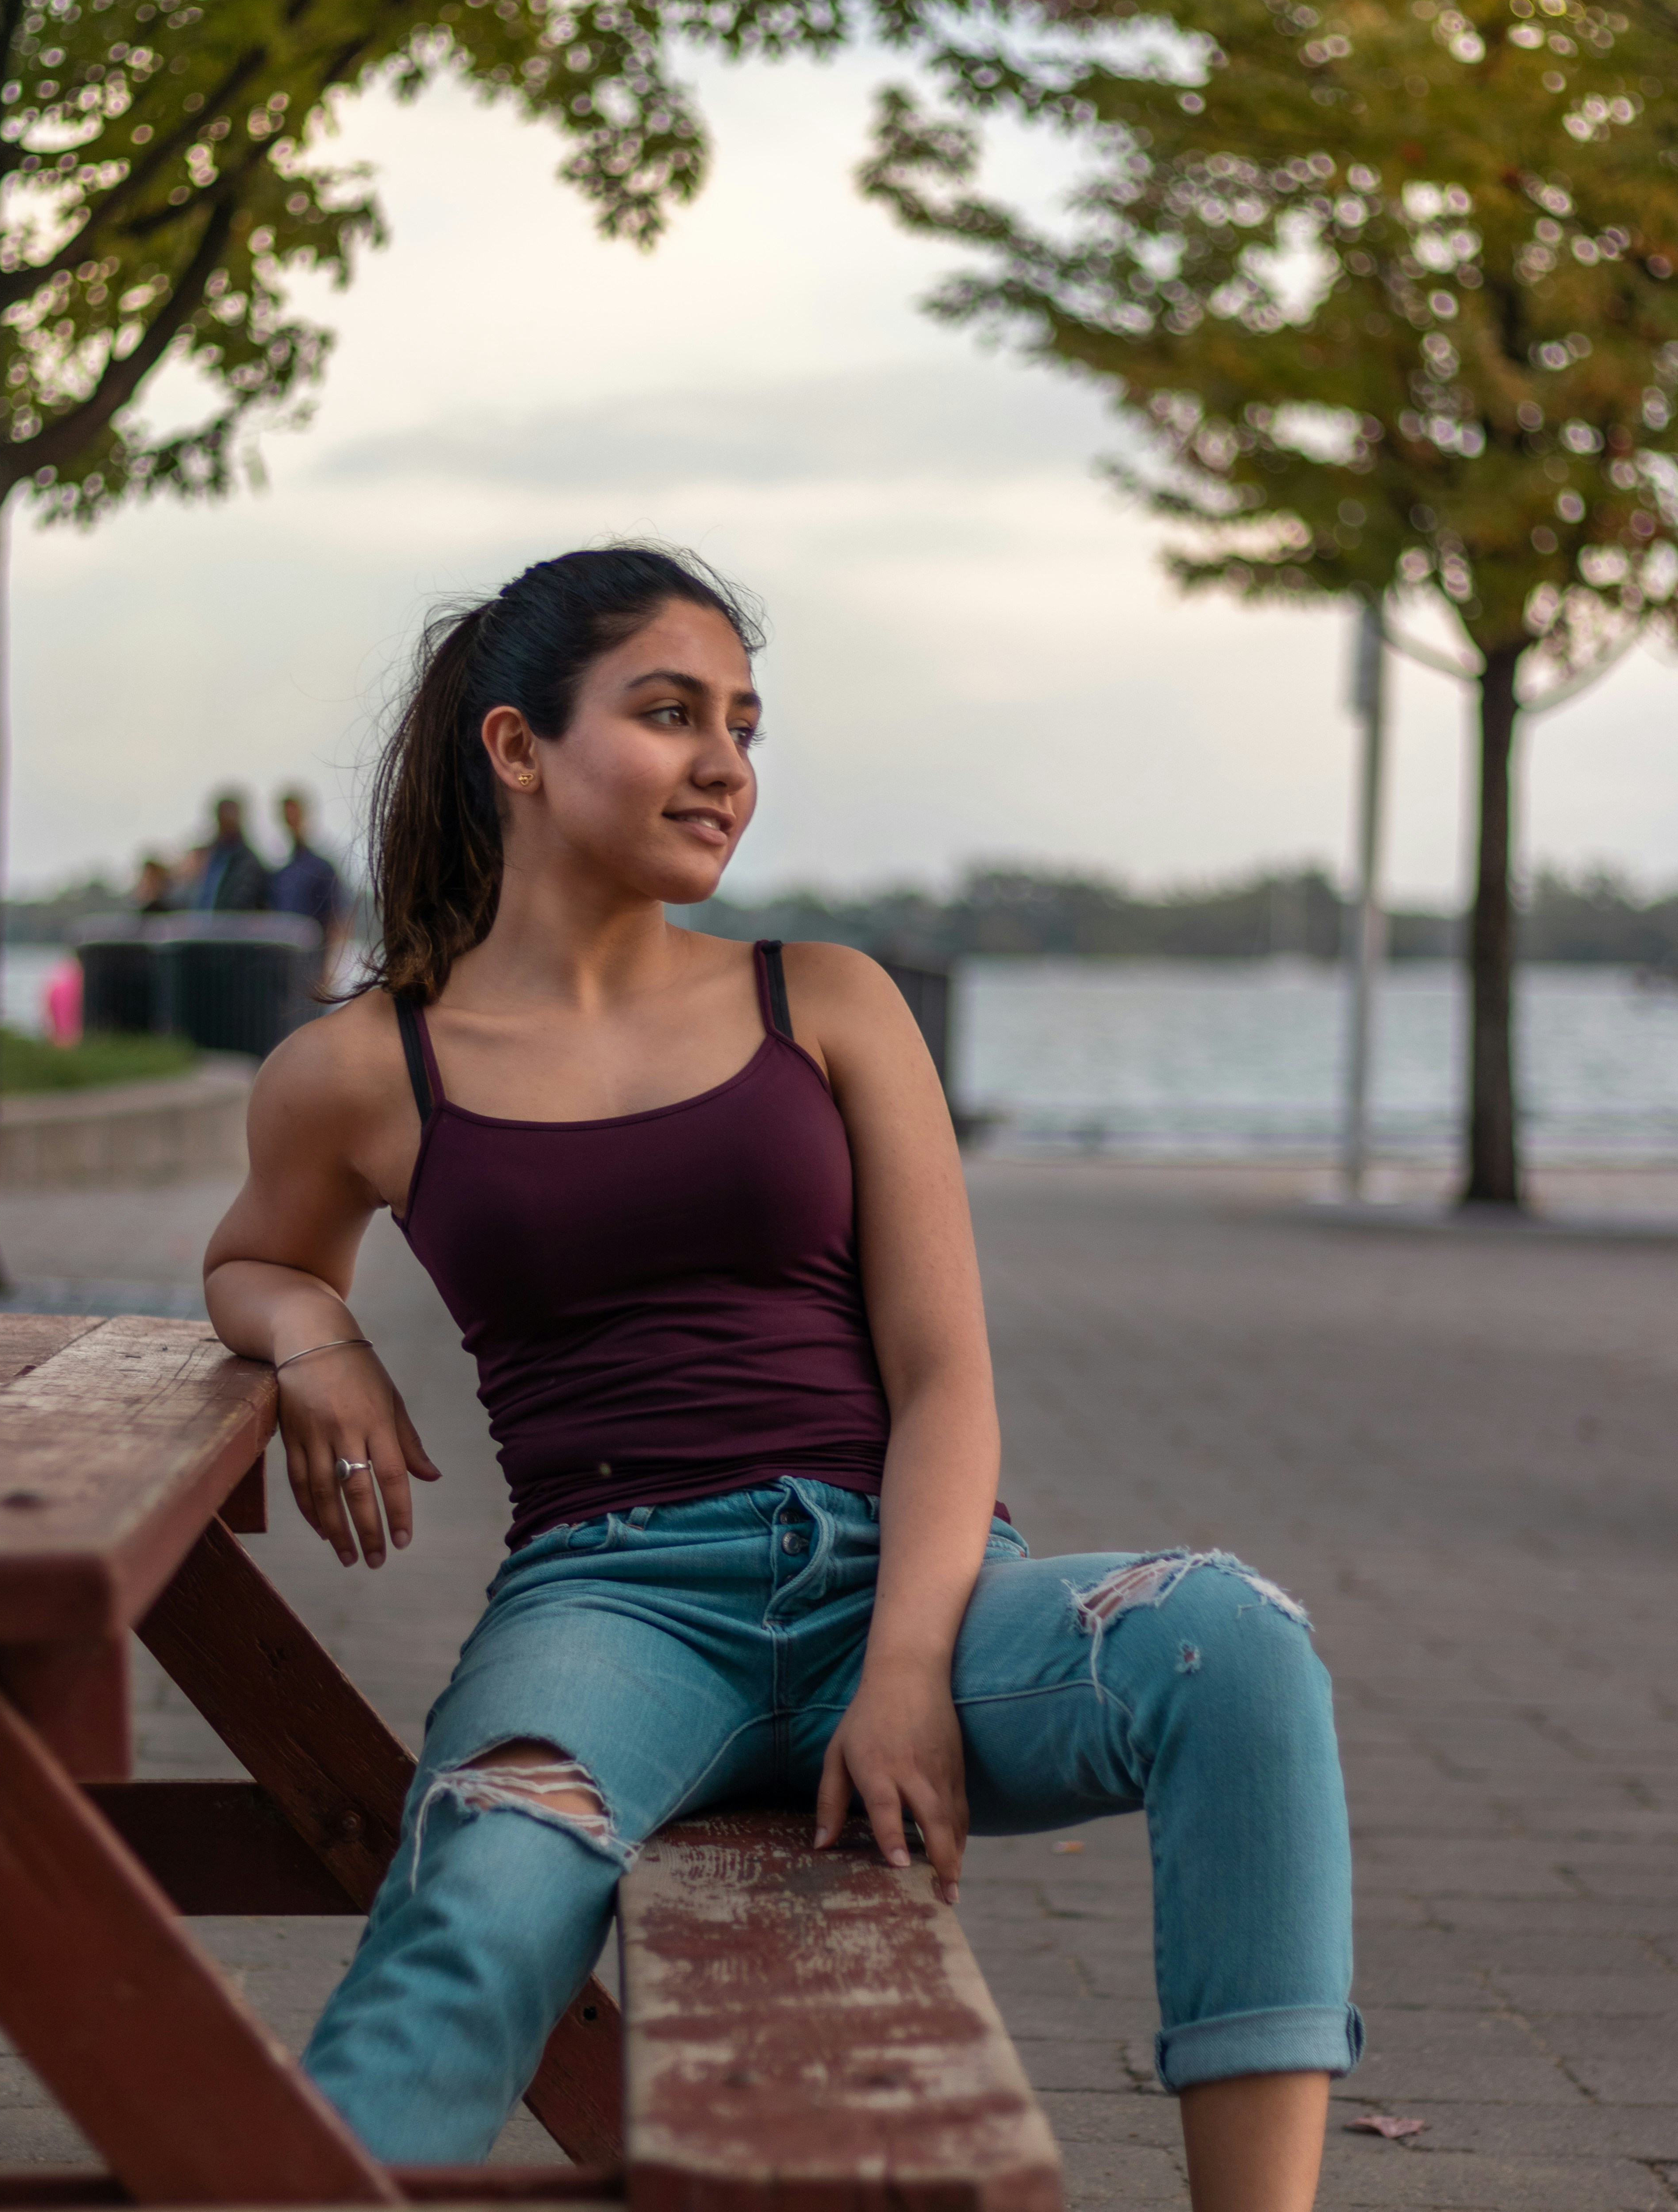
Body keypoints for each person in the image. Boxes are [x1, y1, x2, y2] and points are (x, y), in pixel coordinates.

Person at [202, 547, 1360, 2212]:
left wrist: (902, 1673)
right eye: (669, 713)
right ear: (515, 747)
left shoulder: (820, 1001)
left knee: (1235, 1640)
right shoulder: (362, 1068)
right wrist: (314, 1334)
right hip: (612, 1611)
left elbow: (946, 1374)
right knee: (482, 1885)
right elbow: (257, 1255)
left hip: (912, 1594)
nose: (724, 762)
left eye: (742, 722)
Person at [270, 787, 349, 946]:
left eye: (294, 816)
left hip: (311, 958)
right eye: (287, 817)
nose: (291, 823)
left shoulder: (322, 870)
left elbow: (336, 922)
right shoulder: (281, 874)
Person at [192, 791, 270, 912]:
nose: (227, 820)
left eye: (231, 815)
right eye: (223, 815)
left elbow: (242, 902)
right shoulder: (207, 857)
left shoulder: (248, 862)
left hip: (229, 927)